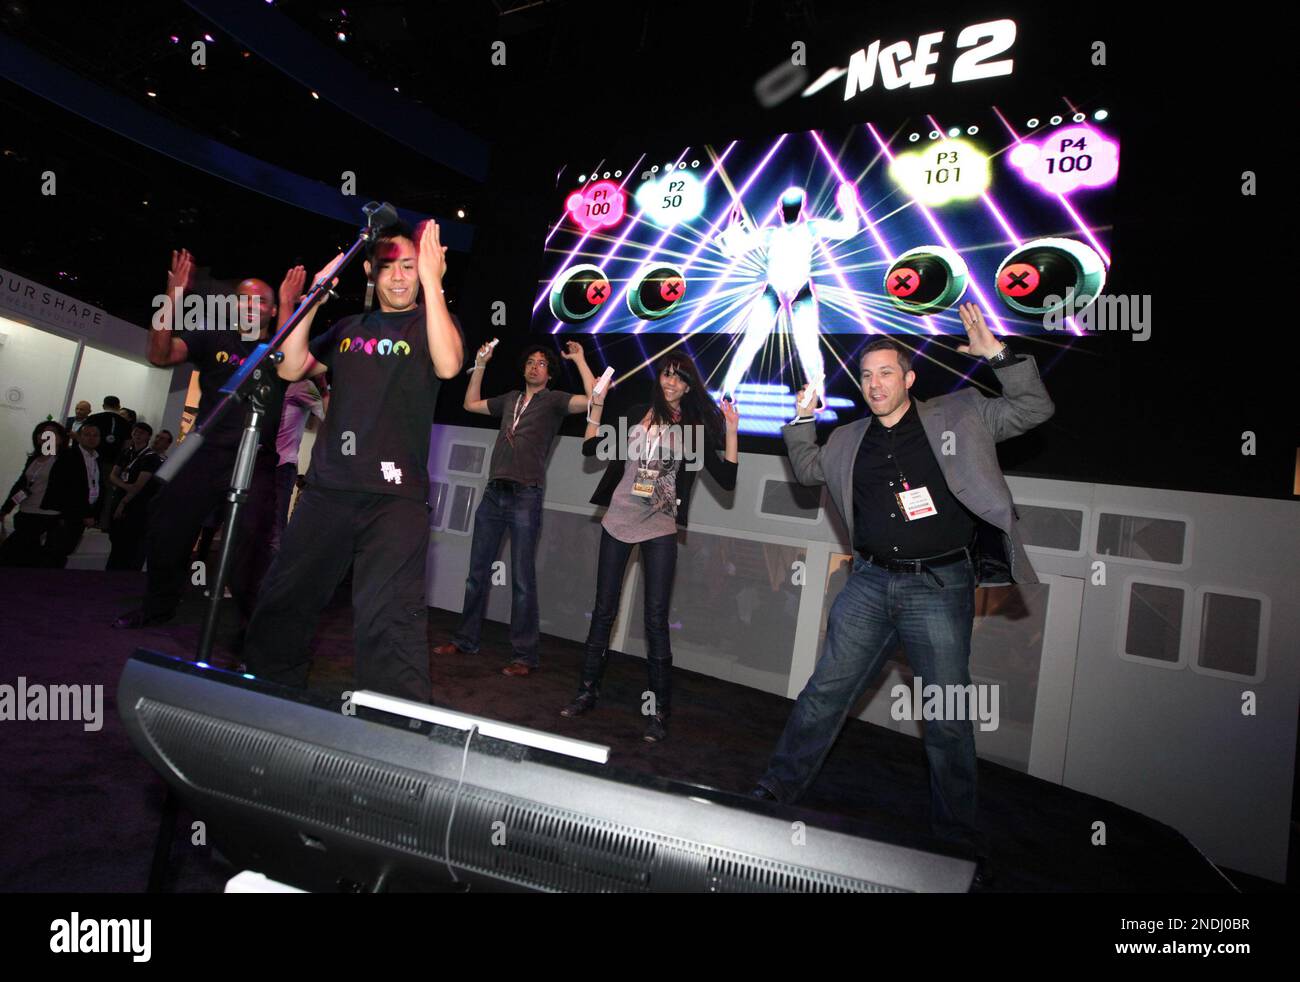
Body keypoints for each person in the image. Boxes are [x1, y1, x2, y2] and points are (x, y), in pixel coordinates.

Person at [749, 303, 1055, 882]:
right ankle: (773, 789)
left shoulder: (960, 413)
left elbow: (1034, 408)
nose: (874, 384)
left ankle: (956, 840)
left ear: (909, 378)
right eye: (866, 376)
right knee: (823, 695)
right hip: (868, 582)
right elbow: (810, 470)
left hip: (940, 586)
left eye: (886, 373)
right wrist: (799, 421)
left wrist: (998, 355)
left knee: (946, 717)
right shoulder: (847, 438)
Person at [240, 219, 464, 701]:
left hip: (396, 497)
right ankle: (267, 694)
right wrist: (307, 303)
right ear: (369, 271)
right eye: (389, 268)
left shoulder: (431, 324)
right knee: (286, 596)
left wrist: (433, 280)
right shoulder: (347, 328)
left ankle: (393, 723)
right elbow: (289, 366)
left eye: (409, 266)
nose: (400, 277)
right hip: (328, 488)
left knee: (389, 614)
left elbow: (448, 364)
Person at [559, 351, 740, 742]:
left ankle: (659, 711)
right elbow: (592, 448)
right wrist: (598, 405)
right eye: (666, 375)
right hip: (617, 520)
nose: (670, 383)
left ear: (689, 387)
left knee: (655, 619)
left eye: (679, 378)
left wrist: (731, 428)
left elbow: (726, 478)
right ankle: (586, 692)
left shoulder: (692, 427)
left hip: (659, 526)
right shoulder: (638, 413)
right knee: (603, 610)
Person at [112, 250, 288, 632]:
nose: (251, 306)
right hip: (206, 450)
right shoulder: (212, 335)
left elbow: (293, 358)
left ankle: (251, 632)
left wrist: (292, 305)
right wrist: (173, 297)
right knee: (167, 521)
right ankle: (158, 606)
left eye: (262, 301)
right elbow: (159, 355)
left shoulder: (282, 351)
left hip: (254, 456)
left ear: (273, 311)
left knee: (251, 543)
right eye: (244, 298)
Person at [433, 340, 595, 676]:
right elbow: (469, 404)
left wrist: (579, 359)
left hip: (526, 495)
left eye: (542, 363)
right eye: (530, 361)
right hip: (494, 493)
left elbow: (595, 397)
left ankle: (524, 656)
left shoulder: (554, 401)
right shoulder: (510, 398)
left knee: (522, 580)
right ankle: (465, 640)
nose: (534, 366)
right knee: (476, 575)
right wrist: (479, 364)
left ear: (550, 375)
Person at [1, 420, 103, 566]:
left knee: (34, 555)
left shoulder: (67, 458)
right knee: (20, 555)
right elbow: (21, 485)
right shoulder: (34, 458)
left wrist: (86, 513)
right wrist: (6, 509)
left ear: (61, 438)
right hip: (26, 510)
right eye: (43, 433)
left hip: (50, 514)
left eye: (52, 433)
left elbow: (77, 488)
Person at [271, 375, 327, 552]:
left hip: (281, 465)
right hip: (268, 463)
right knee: (264, 527)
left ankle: (267, 577)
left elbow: (328, 416)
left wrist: (323, 386)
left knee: (274, 529)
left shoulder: (301, 385)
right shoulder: (290, 384)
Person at [106, 424, 170, 570]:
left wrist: (124, 500)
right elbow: (113, 475)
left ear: (148, 436)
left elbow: (138, 486)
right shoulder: (126, 453)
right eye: (135, 432)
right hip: (121, 498)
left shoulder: (151, 458)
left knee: (132, 545)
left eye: (142, 433)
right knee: (116, 541)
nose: (138, 435)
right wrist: (126, 487)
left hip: (138, 506)